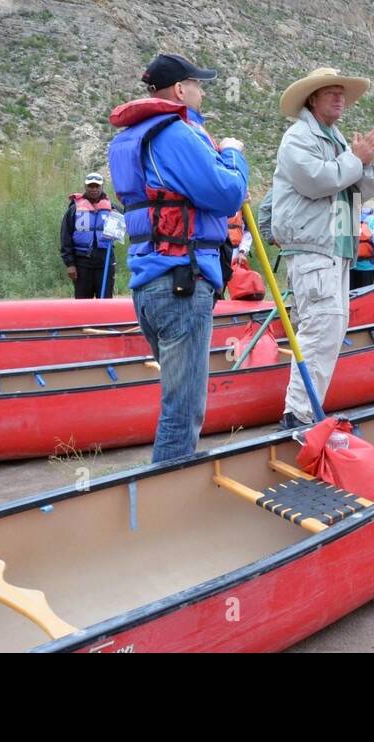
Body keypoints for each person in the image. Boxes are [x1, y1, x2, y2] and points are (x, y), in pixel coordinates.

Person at [108, 53, 249, 462]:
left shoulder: (129, 139)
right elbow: (226, 193)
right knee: (184, 410)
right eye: (198, 85)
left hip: (149, 285)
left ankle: (166, 493)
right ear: (181, 90)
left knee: (177, 402)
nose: (202, 92)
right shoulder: (176, 134)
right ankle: (166, 501)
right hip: (181, 285)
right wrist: (235, 156)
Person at [272, 68, 374, 430]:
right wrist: (356, 159)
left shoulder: (336, 141)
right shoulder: (298, 138)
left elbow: (365, 189)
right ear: (313, 99)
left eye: (341, 93)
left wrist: (363, 160)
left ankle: (305, 411)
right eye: (331, 93)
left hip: (336, 248)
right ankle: (298, 414)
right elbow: (318, 181)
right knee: (322, 326)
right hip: (313, 246)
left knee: (331, 328)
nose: (339, 99)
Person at [60, 173, 117, 299]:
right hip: (82, 264)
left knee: (106, 302)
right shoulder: (74, 210)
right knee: (82, 303)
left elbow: (126, 225)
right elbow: (65, 237)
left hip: (105, 262)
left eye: (97, 186)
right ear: (85, 187)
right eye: (90, 186)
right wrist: (70, 264)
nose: (94, 189)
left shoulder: (112, 209)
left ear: (102, 186)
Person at [350, 203, 374, 290]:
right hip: (368, 267)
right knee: (365, 296)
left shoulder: (350, 218)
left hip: (350, 266)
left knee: (350, 298)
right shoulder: (372, 221)